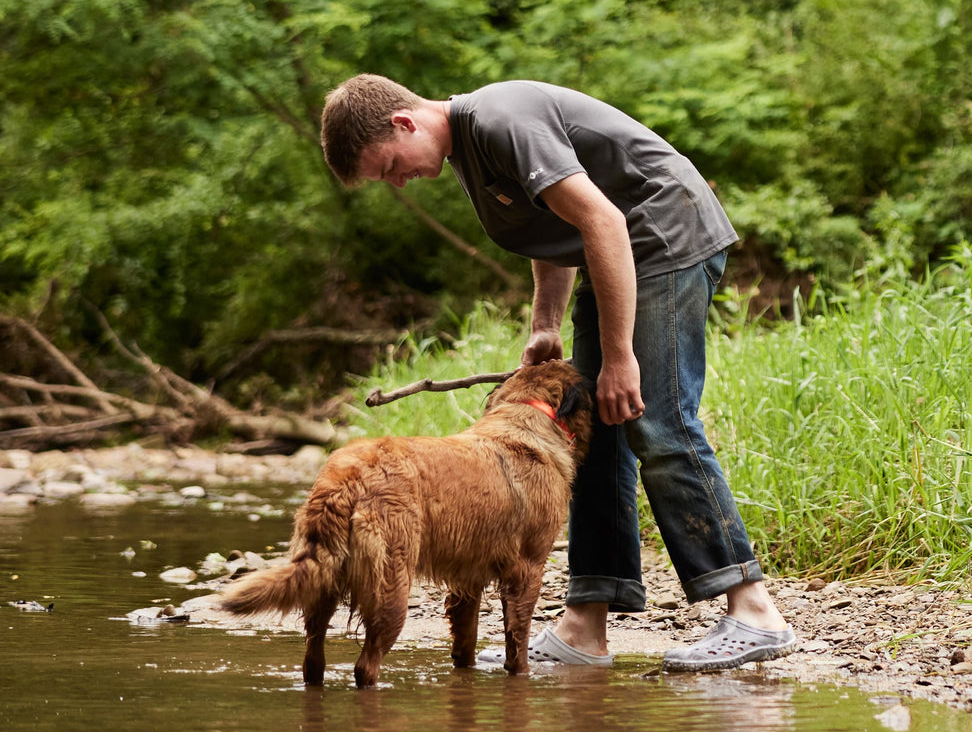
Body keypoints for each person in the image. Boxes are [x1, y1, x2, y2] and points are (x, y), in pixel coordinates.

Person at [320, 75, 796, 671]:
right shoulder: (470, 150)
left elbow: (602, 221)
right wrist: (545, 322)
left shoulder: (500, 120)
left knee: (659, 421)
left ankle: (752, 609)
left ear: (403, 124)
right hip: (619, 256)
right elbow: (551, 231)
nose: (395, 182)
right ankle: (585, 624)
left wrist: (621, 357)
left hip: (664, 241)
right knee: (587, 428)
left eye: (388, 166)